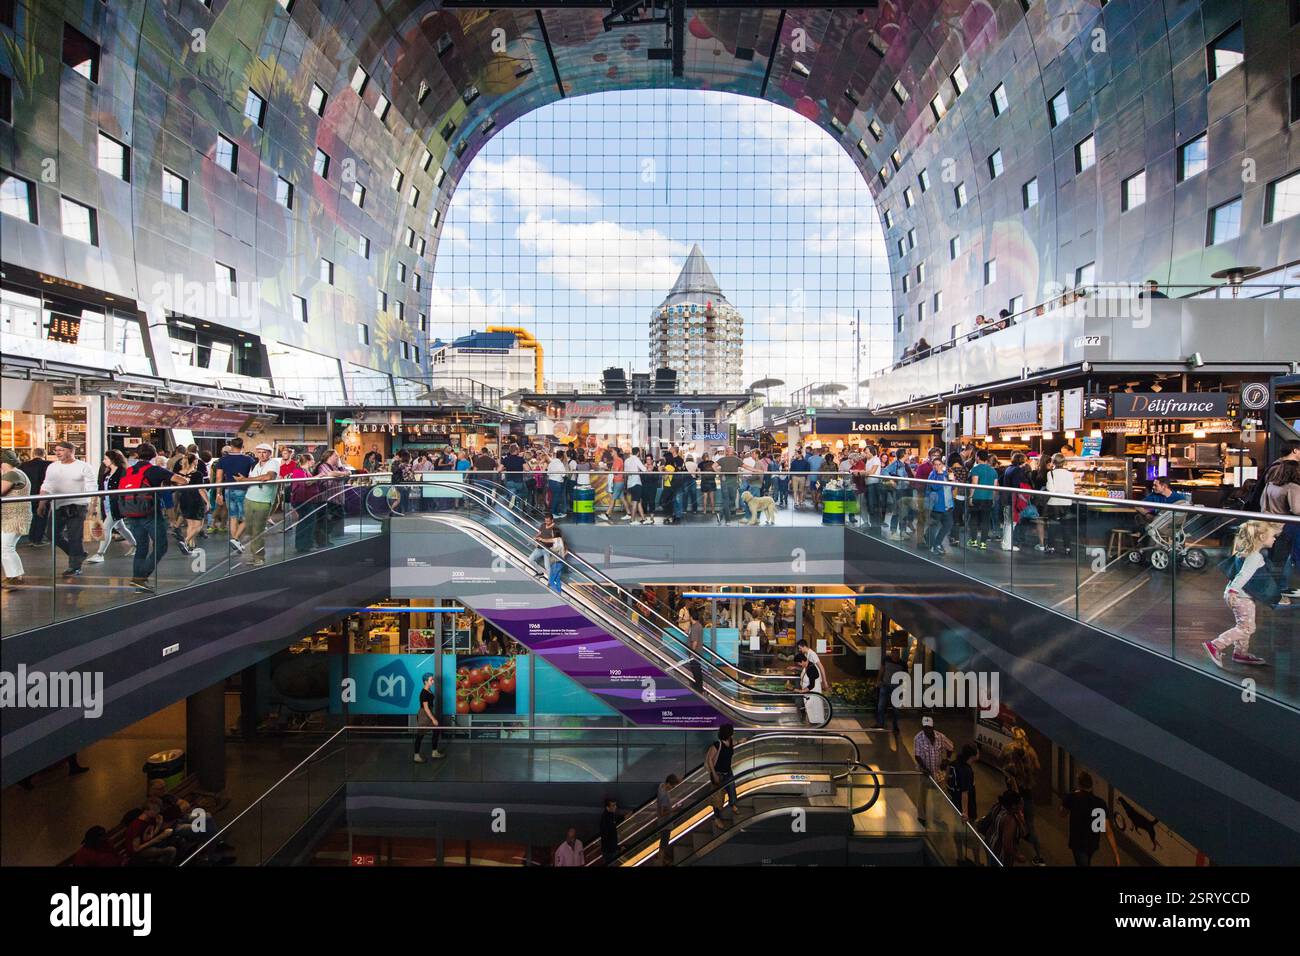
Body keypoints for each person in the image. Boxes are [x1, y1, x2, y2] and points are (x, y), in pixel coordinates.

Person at [1206, 520, 1283, 668]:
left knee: (1244, 625)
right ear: (1261, 537)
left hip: (1240, 595)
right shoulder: (1255, 556)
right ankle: (1215, 645)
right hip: (1241, 597)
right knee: (1247, 628)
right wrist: (1233, 591)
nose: (1274, 539)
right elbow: (1244, 574)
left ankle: (1240, 653)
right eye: (1273, 536)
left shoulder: (1245, 552)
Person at [112, 442, 188, 589]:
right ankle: (141, 577)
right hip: (151, 513)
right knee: (161, 546)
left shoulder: (129, 471)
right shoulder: (155, 470)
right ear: (154, 455)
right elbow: (182, 480)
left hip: (131, 511)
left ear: (137, 455)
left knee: (142, 546)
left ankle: (137, 578)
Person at [36, 440, 96, 578]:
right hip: (59, 504)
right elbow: (47, 486)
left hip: (78, 505)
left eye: (61, 450)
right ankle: (77, 554)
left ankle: (74, 567)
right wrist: (41, 504)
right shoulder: (52, 467)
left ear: (71, 451)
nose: (57, 453)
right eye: (56, 450)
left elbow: (92, 485)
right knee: (51, 534)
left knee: (75, 536)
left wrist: (93, 504)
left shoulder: (83, 466)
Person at [1001, 727, 1045, 865]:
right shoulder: (1030, 751)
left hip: (1014, 795)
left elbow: (1000, 759)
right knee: (1031, 826)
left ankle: (1013, 852)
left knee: (1011, 824)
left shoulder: (1008, 749)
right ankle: (1039, 856)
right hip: (1027, 794)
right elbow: (1038, 767)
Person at [1259, 458, 1300, 605]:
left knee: (1274, 560)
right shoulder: (1293, 487)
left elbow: (1262, 506)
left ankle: (1276, 589)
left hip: (1271, 527)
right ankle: (1278, 593)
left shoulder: (1270, 485)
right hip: (1287, 527)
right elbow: (1297, 510)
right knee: (1285, 560)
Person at [1060, 770, 1121, 866]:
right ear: (1091, 785)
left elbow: (1062, 814)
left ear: (1079, 784)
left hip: (1078, 842)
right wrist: (1116, 854)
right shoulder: (1100, 803)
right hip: (1092, 843)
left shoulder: (1072, 798)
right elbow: (1108, 831)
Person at [87, 450, 137, 564]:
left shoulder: (123, 472)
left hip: (117, 504)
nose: (103, 461)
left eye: (106, 458)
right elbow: (101, 487)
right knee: (120, 528)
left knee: (106, 527)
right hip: (107, 503)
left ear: (113, 459)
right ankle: (136, 545)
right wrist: (95, 502)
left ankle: (100, 554)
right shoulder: (107, 472)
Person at [236, 443, 281, 565]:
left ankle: (259, 558)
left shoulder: (273, 463)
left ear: (270, 453)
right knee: (250, 530)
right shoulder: (256, 465)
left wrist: (245, 480)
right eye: (259, 452)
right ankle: (254, 556)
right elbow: (257, 478)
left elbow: (269, 477)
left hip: (263, 501)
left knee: (258, 531)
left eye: (264, 452)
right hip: (250, 498)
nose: (261, 455)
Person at [213, 438, 254, 552]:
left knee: (233, 517)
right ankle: (235, 539)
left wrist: (218, 493)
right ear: (243, 446)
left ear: (231, 446)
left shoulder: (223, 460)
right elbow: (254, 474)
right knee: (248, 518)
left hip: (228, 490)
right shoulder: (249, 459)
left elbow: (219, 478)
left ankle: (236, 542)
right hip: (243, 490)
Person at [912, 716, 953, 824]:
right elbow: (917, 756)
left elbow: (950, 747)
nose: (927, 730)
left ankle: (937, 818)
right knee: (922, 795)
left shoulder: (940, 736)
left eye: (929, 727)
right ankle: (922, 816)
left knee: (939, 796)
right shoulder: (918, 738)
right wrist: (924, 768)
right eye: (925, 727)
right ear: (922, 727)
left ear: (933, 727)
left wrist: (947, 759)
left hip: (938, 772)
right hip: (925, 772)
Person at [1, 449, 32, 586]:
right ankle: (15, 575)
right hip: (15, 516)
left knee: (6, 547)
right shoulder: (15, 473)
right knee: (8, 546)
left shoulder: (12, 474)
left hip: (15, 517)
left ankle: (14, 577)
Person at [704, 723, 738, 831]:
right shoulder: (717, 745)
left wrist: (741, 741)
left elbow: (733, 745)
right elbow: (709, 759)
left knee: (732, 789)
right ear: (728, 733)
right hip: (718, 773)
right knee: (717, 798)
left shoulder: (730, 741)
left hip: (728, 772)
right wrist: (714, 774)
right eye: (732, 731)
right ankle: (717, 819)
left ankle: (732, 804)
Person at [173, 454, 209, 556]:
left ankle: (191, 546)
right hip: (195, 499)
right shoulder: (197, 474)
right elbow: (201, 489)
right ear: (194, 461)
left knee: (191, 524)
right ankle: (185, 541)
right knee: (198, 525)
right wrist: (207, 501)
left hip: (184, 498)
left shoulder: (180, 473)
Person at [966, 449, 998, 548]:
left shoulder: (975, 469)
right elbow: (995, 487)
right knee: (985, 520)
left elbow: (974, 484)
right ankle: (983, 542)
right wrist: (993, 499)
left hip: (977, 497)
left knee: (974, 519)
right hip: (988, 498)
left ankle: (974, 540)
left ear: (978, 457)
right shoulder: (993, 471)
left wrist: (970, 496)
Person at [18, 447, 50, 546]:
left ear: (33, 454)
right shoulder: (48, 465)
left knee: (31, 516)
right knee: (41, 516)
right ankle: (38, 539)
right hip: (43, 494)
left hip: (27, 495)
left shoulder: (23, 465)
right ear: (44, 454)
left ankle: (31, 538)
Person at [924, 456, 955, 555]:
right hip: (937, 506)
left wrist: (953, 481)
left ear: (943, 465)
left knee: (948, 524)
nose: (937, 466)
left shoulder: (947, 474)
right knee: (934, 525)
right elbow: (935, 486)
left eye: (939, 464)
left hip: (948, 505)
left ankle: (935, 542)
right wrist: (940, 475)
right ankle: (934, 545)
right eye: (935, 465)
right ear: (933, 466)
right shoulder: (932, 475)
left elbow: (952, 487)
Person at [413, 672, 444, 761]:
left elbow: (429, 708)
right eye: (431, 680)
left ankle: (434, 752)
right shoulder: (424, 693)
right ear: (426, 681)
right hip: (424, 714)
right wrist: (433, 719)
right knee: (420, 735)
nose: (433, 681)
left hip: (428, 712)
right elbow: (426, 708)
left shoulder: (429, 690)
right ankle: (416, 756)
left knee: (436, 730)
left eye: (433, 679)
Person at [873, 646, 904, 733]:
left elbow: (904, 676)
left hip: (896, 687)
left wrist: (901, 687)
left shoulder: (902, 664)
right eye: (893, 653)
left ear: (898, 654)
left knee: (896, 708)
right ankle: (880, 723)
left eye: (896, 653)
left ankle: (895, 726)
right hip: (885, 685)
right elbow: (882, 670)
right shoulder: (886, 660)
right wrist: (878, 680)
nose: (894, 655)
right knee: (881, 706)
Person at [946, 744, 979, 822]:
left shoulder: (955, 763)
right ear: (972, 756)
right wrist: (965, 813)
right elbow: (964, 792)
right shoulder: (966, 771)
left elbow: (947, 776)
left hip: (955, 798)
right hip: (964, 803)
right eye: (977, 752)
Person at [796, 649, 826, 726]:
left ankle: (816, 726)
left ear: (803, 661)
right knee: (811, 711)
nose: (799, 664)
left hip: (813, 694)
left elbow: (812, 685)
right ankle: (812, 723)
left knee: (815, 711)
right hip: (809, 694)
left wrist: (802, 691)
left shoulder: (811, 668)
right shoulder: (807, 665)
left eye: (799, 663)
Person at [655, 773, 680, 865]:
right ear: (669, 784)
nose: (672, 788)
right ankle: (660, 862)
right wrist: (674, 809)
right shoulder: (664, 795)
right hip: (665, 823)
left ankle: (661, 859)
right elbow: (662, 813)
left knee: (663, 843)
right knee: (663, 845)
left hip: (663, 822)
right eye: (672, 786)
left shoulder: (661, 786)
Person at [715, 446, 742, 523]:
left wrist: (720, 474)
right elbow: (747, 467)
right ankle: (727, 520)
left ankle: (720, 515)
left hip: (726, 483)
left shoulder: (724, 459)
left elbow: (714, 466)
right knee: (730, 501)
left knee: (728, 501)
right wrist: (756, 470)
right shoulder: (736, 459)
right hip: (731, 483)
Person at [599, 797, 623, 865]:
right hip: (609, 850)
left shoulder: (610, 814)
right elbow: (607, 835)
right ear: (607, 807)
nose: (616, 807)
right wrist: (617, 847)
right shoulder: (606, 818)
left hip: (609, 849)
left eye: (615, 805)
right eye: (613, 805)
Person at [687, 612, 705, 692]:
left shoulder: (695, 627)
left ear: (691, 617)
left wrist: (692, 652)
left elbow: (695, 641)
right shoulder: (698, 625)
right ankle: (698, 685)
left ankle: (698, 687)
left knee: (696, 670)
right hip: (698, 652)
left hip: (695, 653)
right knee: (697, 669)